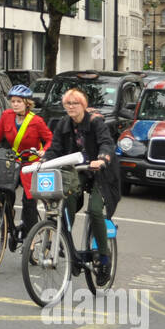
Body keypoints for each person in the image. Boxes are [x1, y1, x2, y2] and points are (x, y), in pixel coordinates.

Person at [47, 87, 119, 282]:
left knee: (95, 210)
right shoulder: (64, 124)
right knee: (65, 199)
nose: (71, 107)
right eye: (68, 104)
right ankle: (66, 241)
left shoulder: (96, 123)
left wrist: (102, 159)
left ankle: (104, 258)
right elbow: (55, 149)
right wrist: (42, 162)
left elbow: (106, 143)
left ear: (83, 105)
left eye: (75, 103)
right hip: (79, 171)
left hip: (102, 173)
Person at [0, 84, 52, 250]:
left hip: (30, 164)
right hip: (14, 162)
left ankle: (30, 237)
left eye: (19, 101)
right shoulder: (6, 116)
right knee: (4, 191)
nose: (15, 104)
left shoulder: (36, 121)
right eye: (13, 101)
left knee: (29, 201)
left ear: (27, 103)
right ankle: (7, 217)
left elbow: (50, 140)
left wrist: (43, 152)